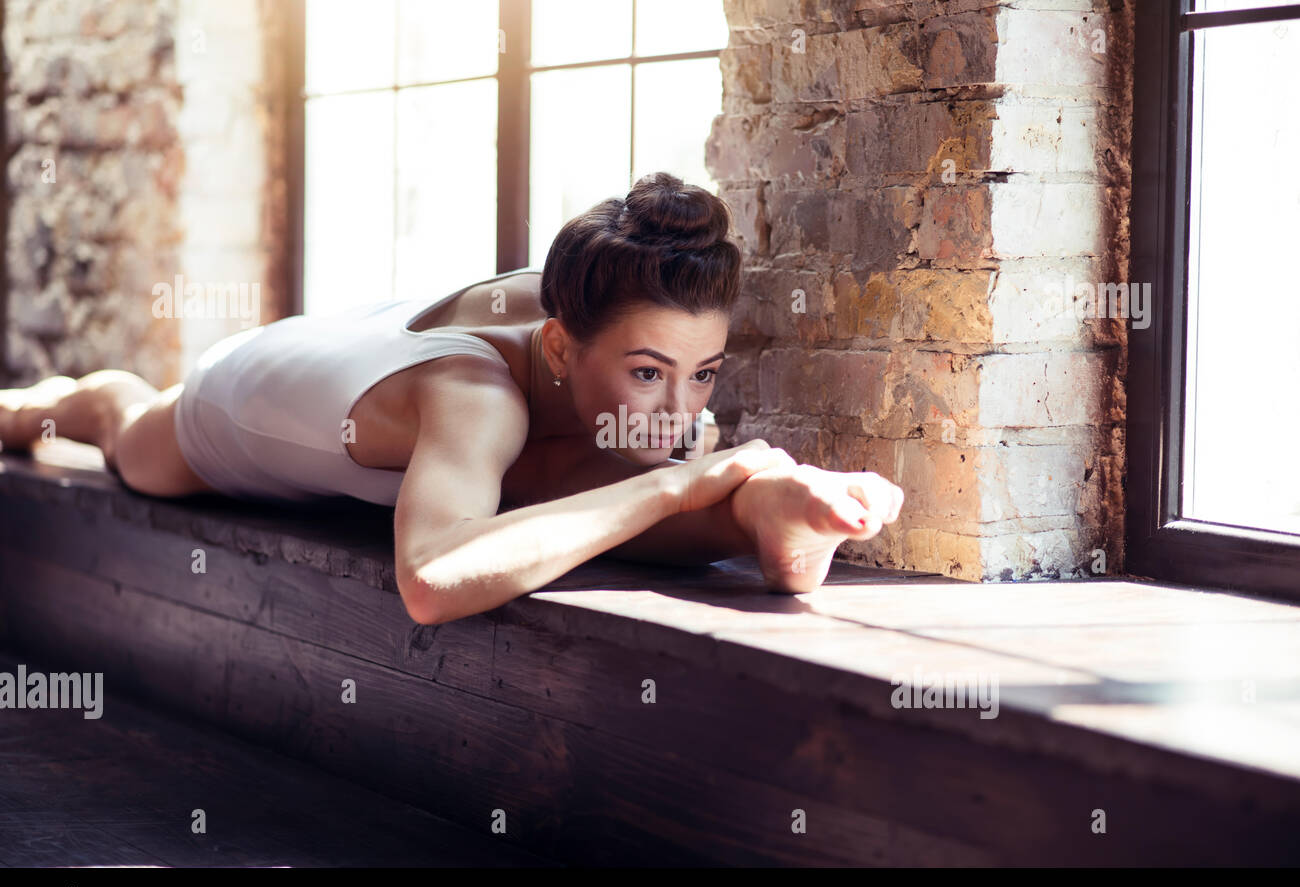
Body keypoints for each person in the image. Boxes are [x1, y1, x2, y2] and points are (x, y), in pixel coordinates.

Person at [0, 172, 904, 624]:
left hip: (392, 347)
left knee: (573, 480)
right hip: (238, 398)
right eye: (647, 372)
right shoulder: (479, 398)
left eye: (701, 372)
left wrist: (737, 478)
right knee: (125, 430)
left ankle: (780, 515)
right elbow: (429, 582)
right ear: (561, 344)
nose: (680, 411)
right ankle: (49, 402)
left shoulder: (585, 303)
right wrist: (675, 485)